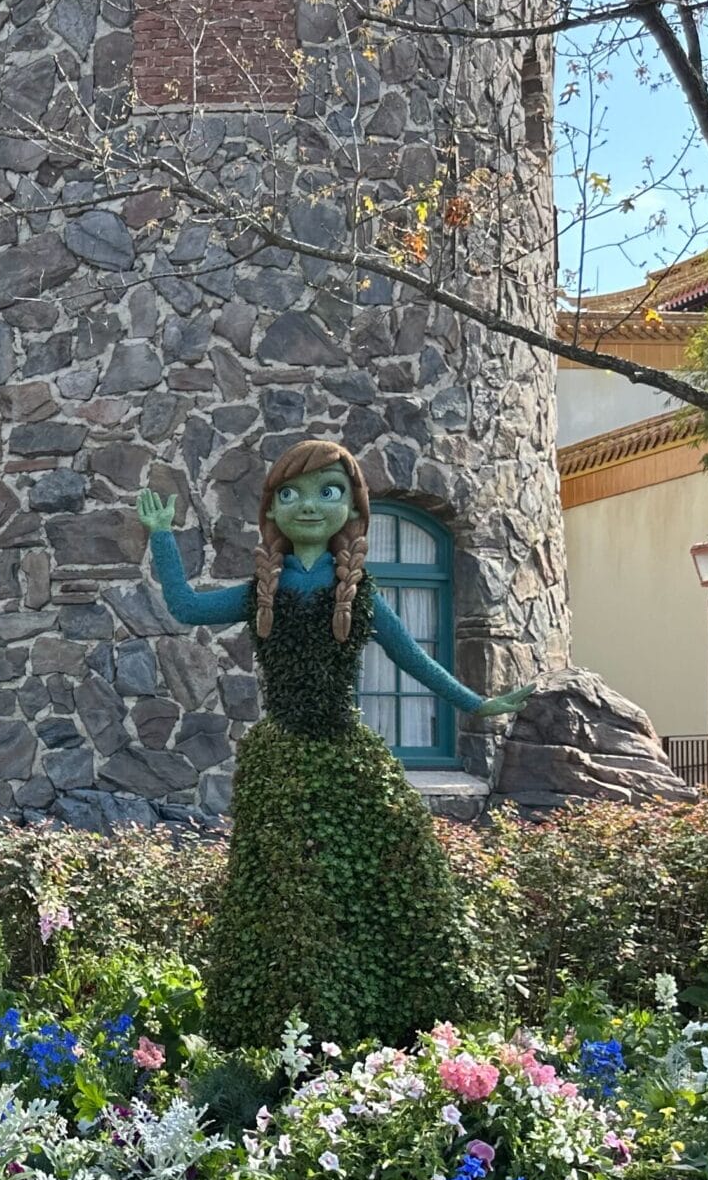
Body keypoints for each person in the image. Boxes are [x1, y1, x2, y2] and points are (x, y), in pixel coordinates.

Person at [139, 441, 530, 1051]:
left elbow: (414, 660)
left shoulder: (361, 595)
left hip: (349, 759)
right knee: (288, 896)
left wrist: (476, 704)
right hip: (282, 764)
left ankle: (402, 1020)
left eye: (328, 491)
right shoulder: (260, 592)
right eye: (290, 494)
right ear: (272, 511)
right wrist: (162, 538)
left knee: (394, 875)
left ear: (352, 506)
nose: (309, 506)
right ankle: (281, 1031)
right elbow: (186, 604)